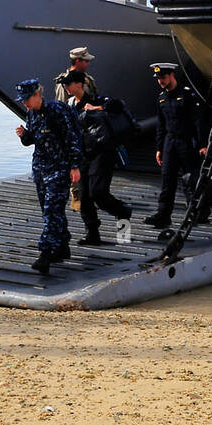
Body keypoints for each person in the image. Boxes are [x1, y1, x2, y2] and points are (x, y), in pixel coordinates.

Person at [15, 78, 83, 273]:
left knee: (52, 210)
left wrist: (75, 166)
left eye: (27, 99)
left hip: (59, 168)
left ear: (37, 95)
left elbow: (73, 139)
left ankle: (45, 254)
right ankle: (62, 246)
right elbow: (32, 141)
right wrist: (24, 135)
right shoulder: (31, 114)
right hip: (40, 168)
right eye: (22, 100)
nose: (24, 103)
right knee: (50, 210)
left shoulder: (57, 111)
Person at [59, 69, 132, 246]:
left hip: (102, 152)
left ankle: (123, 212)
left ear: (79, 84)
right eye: (65, 85)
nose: (66, 87)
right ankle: (92, 233)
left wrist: (96, 108)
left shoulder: (95, 100)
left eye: (69, 84)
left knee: (98, 192)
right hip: (82, 154)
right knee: (84, 196)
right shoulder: (69, 105)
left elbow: (118, 105)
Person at [145, 63, 210, 230]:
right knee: (167, 180)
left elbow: (198, 121)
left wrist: (203, 144)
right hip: (170, 143)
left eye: (163, 77)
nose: (160, 81)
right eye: (158, 78)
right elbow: (161, 125)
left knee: (191, 179)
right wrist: (159, 148)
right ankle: (163, 215)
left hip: (186, 141)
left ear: (171, 75)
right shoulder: (161, 98)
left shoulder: (187, 95)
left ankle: (197, 212)